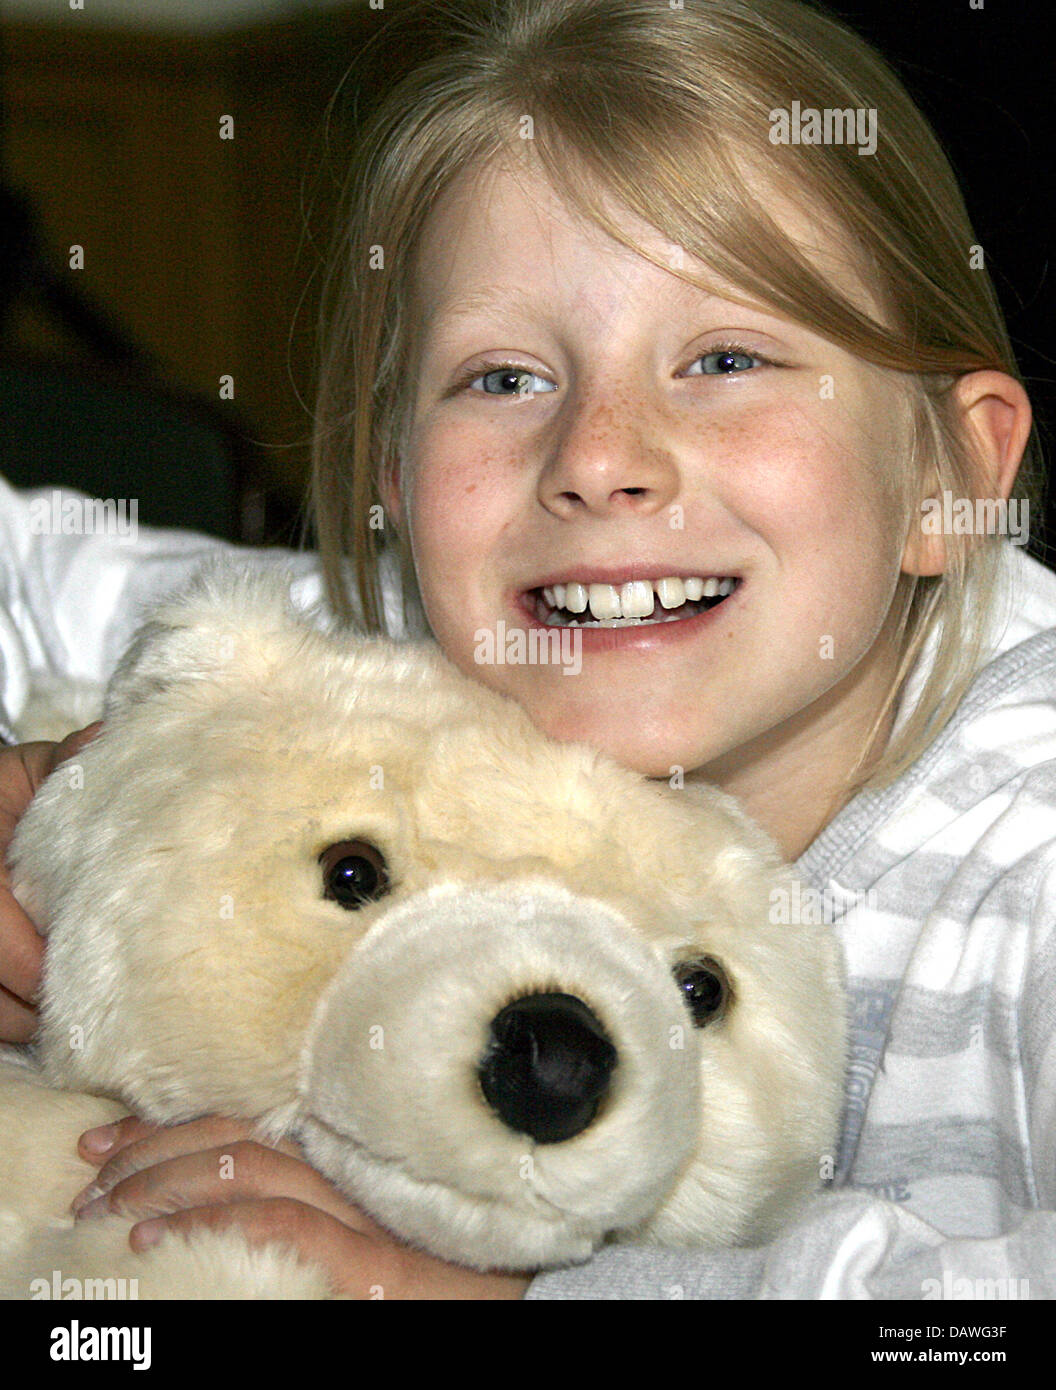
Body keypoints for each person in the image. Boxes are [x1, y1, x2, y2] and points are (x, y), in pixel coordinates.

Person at [2, 0, 1054, 1299]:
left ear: (948, 471)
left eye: (724, 357)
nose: (597, 459)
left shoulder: (1030, 851)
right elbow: (27, 569)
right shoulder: (407, 644)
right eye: (503, 379)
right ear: (396, 478)